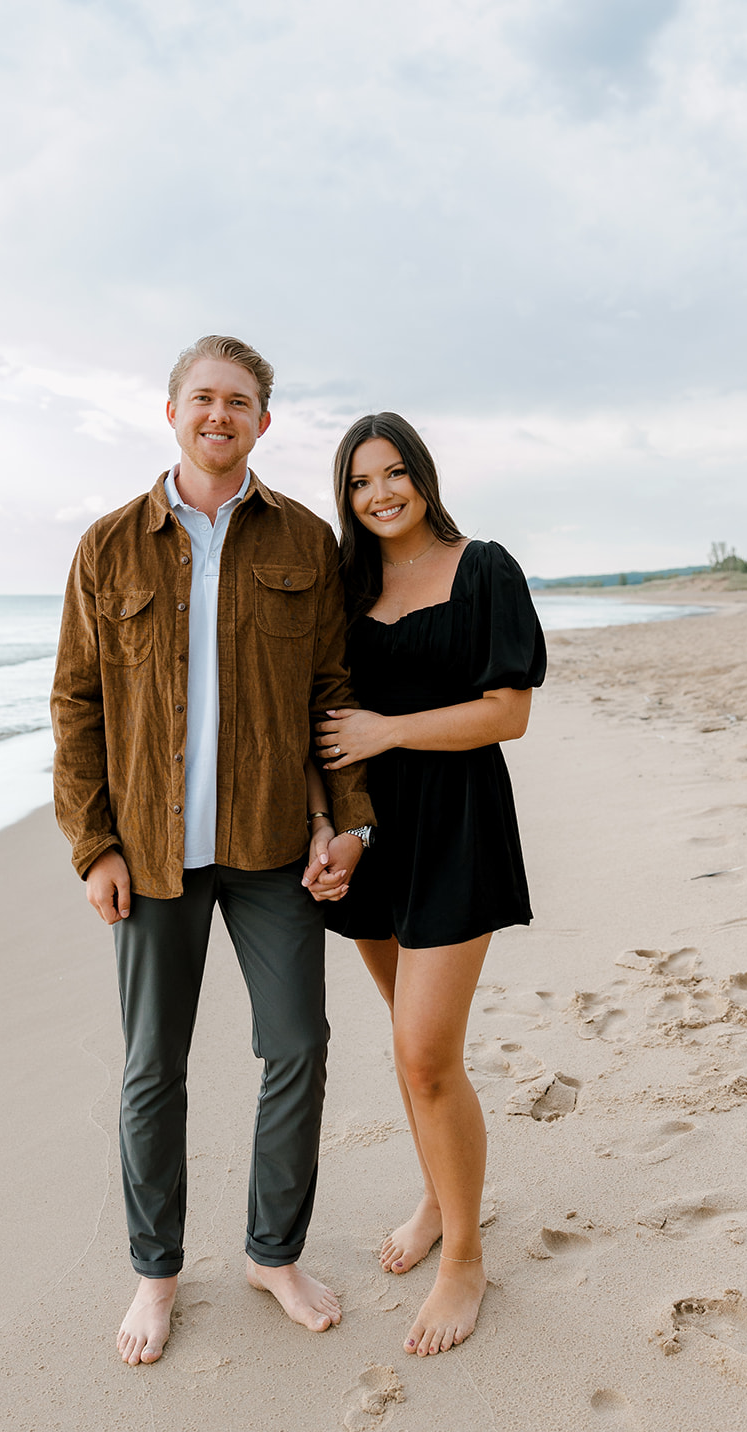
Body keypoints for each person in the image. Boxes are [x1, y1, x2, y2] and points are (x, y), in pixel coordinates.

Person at [50, 336, 375, 1366]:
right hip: (148, 856)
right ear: (172, 411)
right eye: (203, 397)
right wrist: (92, 845)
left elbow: (331, 692)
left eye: (238, 401)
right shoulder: (108, 546)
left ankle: (273, 1255)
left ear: (262, 422)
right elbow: (75, 705)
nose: (218, 414)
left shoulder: (305, 540)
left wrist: (348, 820)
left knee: (298, 1045)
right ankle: (156, 1274)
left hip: (274, 845)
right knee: (154, 1067)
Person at [305, 411, 546, 1358]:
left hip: (456, 828)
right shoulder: (344, 586)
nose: (380, 494)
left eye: (394, 472)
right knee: (412, 1051)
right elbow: (320, 715)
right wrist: (333, 828)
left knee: (425, 1055)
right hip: (374, 832)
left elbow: (507, 714)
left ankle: (465, 1261)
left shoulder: (482, 568)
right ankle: (438, 1200)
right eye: (360, 481)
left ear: (422, 476)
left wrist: (388, 730)